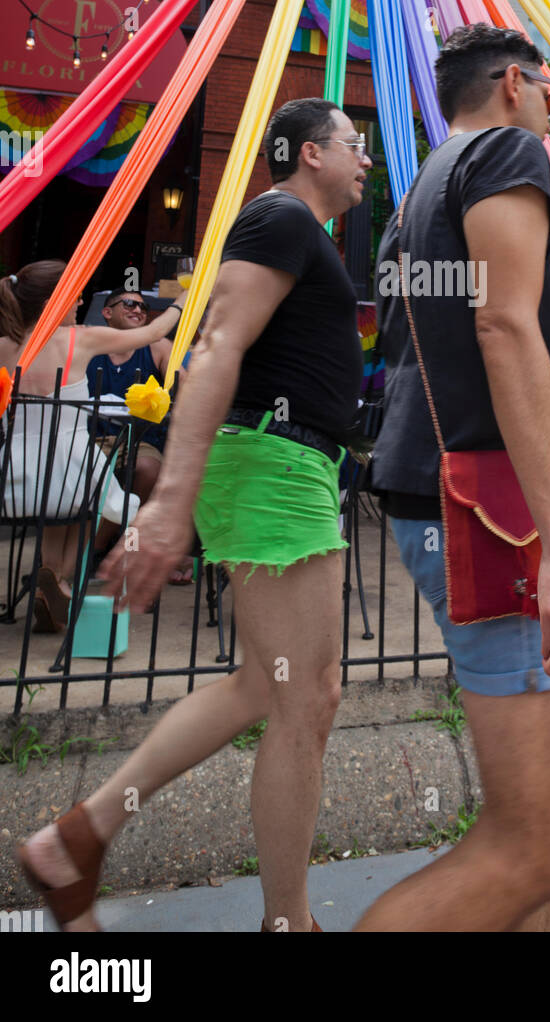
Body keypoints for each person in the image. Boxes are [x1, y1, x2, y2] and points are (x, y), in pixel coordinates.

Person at [17, 98, 371, 932]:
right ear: (312, 153)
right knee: (306, 697)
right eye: (354, 145)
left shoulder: (296, 232)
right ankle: (289, 923)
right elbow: (213, 347)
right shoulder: (281, 216)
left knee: (269, 684)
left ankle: (80, 840)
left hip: (291, 463)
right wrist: (170, 500)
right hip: (275, 462)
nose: (366, 160)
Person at [359, 24, 550, 933]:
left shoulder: (415, 190)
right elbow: (505, 329)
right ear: (514, 83)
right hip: (495, 515)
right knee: (532, 851)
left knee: (526, 870)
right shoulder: (510, 151)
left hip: (437, 496)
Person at [0, 262, 187, 632]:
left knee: (78, 489)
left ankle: (51, 578)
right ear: (55, 301)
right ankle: (59, 576)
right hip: (69, 476)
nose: (81, 300)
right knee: (96, 493)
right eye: (75, 294)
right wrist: (183, 301)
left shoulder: (4, 346)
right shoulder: (78, 339)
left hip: (12, 479)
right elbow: (153, 331)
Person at [87, 286, 190, 583]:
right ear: (107, 312)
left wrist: (180, 387)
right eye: (130, 304)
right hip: (92, 438)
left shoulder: (156, 345)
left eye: (144, 309)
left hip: (140, 439)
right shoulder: (91, 343)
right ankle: (74, 556)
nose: (138, 311)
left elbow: (184, 380)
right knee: (78, 471)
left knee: (147, 469)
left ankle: (101, 545)